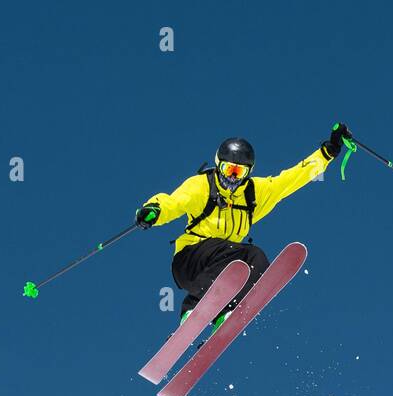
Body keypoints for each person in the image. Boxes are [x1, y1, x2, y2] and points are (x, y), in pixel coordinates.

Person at [135, 123, 350, 327]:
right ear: (218, 165)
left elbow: (291, 179)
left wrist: (326, 153)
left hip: (222, 266)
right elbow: (173, 202)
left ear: (249, 172)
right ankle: (193, 308)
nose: (232, 177)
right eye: (228, 169)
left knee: (256, 259)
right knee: (231, 253)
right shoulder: (202, 186)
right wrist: (154, 210)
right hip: (189, 260)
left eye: (239, 172)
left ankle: (224, 315)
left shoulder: (253, 193)